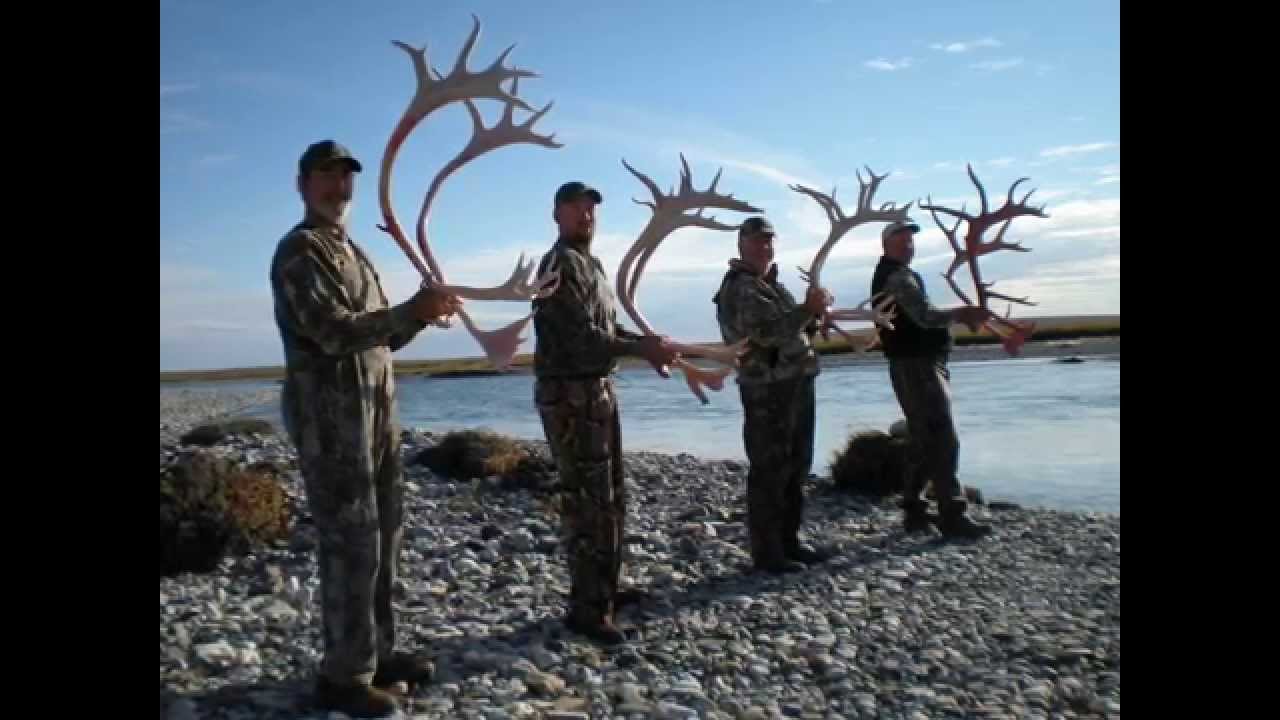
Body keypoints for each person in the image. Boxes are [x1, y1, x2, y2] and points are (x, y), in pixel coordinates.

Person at [269, 139, 462, 716]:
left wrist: (423, 316)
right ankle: (344, 675)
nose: (338, 187)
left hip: (377, 423)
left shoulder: (353, 252)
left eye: (345, 177)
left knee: (384, 539)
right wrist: (410, 311)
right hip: (332, 427)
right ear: (302, 185)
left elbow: (382, 335)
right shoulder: (300, 252)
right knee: (349, 547)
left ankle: (379, 653)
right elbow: (333, 331)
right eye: (325, 176)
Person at [531, 181, 679, 644]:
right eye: (575, 208)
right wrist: (642, 349)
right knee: (585, 501)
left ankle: (606, 590)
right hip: (569, 395)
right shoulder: (558, 265)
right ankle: (586, 607)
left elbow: (606, 327)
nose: (586, 216)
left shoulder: (591, 266)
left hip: (597, 391)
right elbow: (580, 337)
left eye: (591, 208)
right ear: (557, 214)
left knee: (611, 494)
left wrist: (644, 343)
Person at [713, 217, 836, 574]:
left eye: (768, 241)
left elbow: (797, 328)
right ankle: (768, 552)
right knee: (770, 469)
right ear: (741, 245)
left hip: (795, 382)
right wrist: (807, 309)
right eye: (756, 241)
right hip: (767, 389)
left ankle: (789, 541)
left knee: (797, 464)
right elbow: (765, 334)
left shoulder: (771, 286)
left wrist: (815, 315)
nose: (763, 247)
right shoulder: (740, 289)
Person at [870, 219, 994, 539]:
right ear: (886, 244)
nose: (908, 244)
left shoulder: (901, 274)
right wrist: (962, 314)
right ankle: (952, 514)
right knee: (942, 437)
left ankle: (914, 508)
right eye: (901, 239)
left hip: (916, 364)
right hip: (916, 366)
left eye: (910, 239)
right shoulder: (896, 277)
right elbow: (924, 316)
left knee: (926, 438)